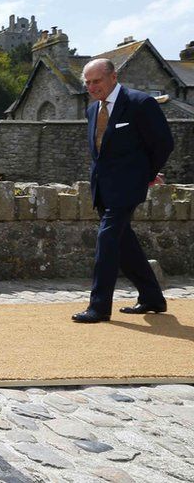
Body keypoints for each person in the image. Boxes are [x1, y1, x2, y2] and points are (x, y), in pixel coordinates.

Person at [72, 58, 174, 323]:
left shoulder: (141, 103)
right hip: (103, 189)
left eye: (97, 81)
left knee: (106, 240)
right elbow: (101, 153)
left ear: (113, 77)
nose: (92, 87)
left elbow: (164, 143)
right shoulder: (92, 110)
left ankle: (98, 307)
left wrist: (147, 174)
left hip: (128, 187)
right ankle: (152, 297)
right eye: (88, 82)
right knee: (123, 243)